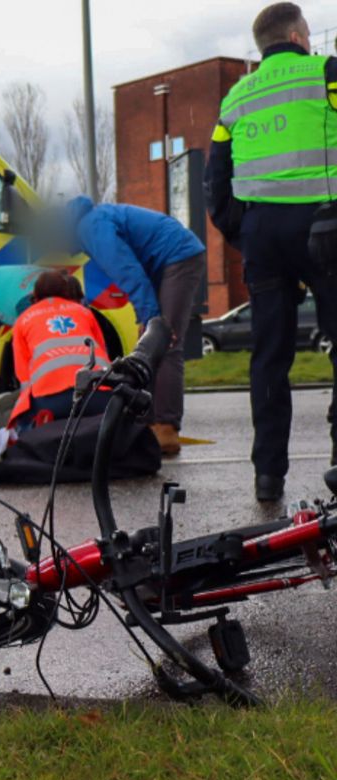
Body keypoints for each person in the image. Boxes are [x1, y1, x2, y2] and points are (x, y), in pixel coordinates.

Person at [205, 2, 337, 502]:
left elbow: (215, 181)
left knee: (269, 356)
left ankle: (268, 475)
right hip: (327, 226)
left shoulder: (236, 96)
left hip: (263, 234)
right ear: (301, 36)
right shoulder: (326, 73)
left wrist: (246, 232)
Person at [64, 195, 206, 456]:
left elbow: (128, 272)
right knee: (152, 344)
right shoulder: (94, 224)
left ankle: (166, 428)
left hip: (179, 256)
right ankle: (147, 423)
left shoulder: (91, 227)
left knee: (166, 343)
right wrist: (147, 320)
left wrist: (152, 318)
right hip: (167, 260)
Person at [8, 271, 111, 431]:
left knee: (23, 424)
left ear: (35, 294)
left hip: (53, 402)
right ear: (66, 290)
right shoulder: (84, 312)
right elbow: (102, 351)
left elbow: (24, 379)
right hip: (99, 396)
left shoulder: (24, 319)